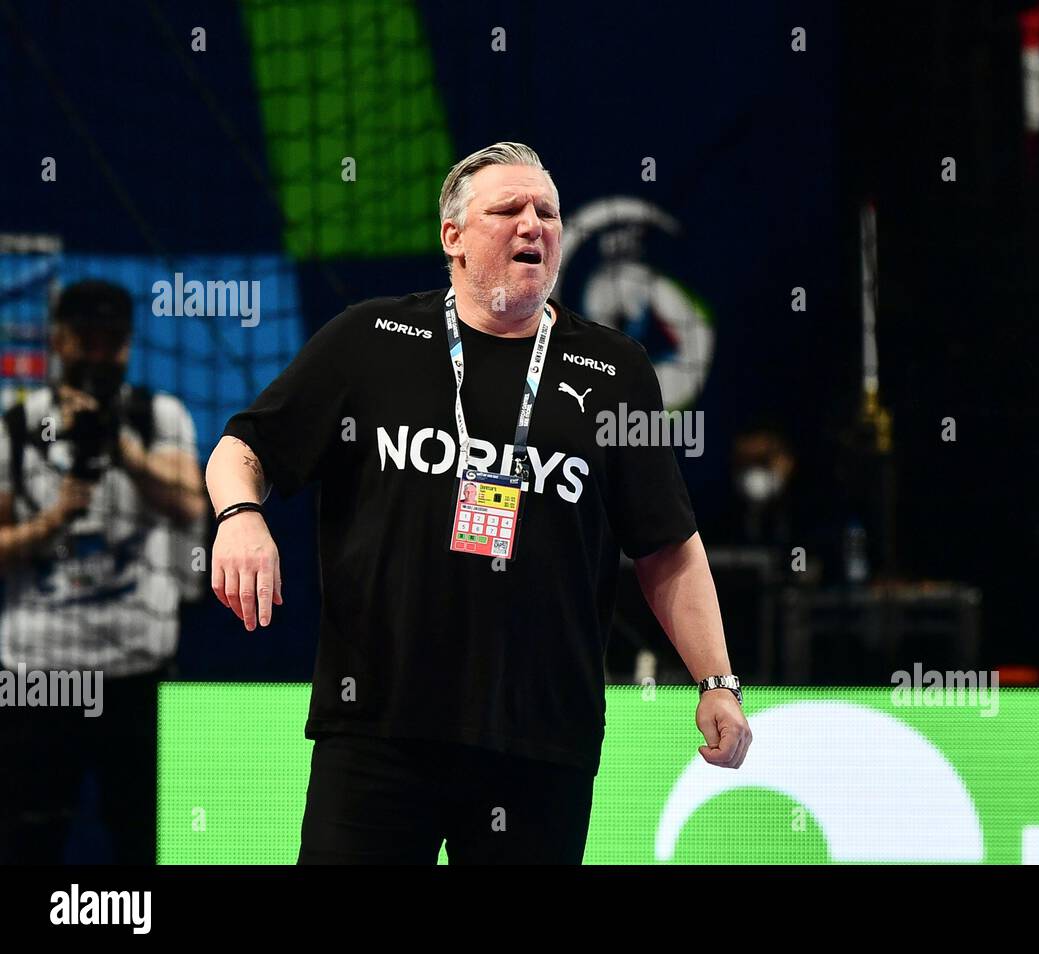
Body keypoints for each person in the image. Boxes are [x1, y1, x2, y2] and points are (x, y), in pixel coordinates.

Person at [206, 142, 751, 864]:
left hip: (540, 742)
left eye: (548, 212)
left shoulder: (616, 369)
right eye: (508, 210)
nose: (534, 225)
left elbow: (665, 543)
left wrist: (718, 682)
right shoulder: (373, 339)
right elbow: (241, 450)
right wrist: (239, 519)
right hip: (379, 728)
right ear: (453, 237)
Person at [0, 279, 206, 863]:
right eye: (83, 340)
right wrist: (55, 518)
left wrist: (125, 454)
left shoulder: (155, 416)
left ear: (128, 345)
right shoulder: (16, 428)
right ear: (58, 341)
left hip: (134, 669)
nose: (96, 355)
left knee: (143, 836)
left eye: (110, 342)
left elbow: (192, 505)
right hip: (37, 672)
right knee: (27, 836)